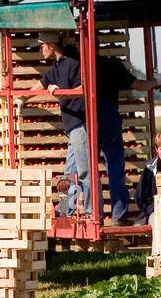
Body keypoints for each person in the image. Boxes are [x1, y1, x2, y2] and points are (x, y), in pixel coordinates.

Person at [39, 33, 131, 222]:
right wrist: (23, 97)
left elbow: (83, 89)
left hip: (80, 123)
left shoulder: (79, 64)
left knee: (85, 171)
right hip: (73, 126)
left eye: (42, 45)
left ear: (52, 44)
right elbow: (42, 83)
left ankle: (92, 213)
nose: (40, 49)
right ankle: (64, 210)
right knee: (70, 171)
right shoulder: (59, 65)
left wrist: (60, 93)